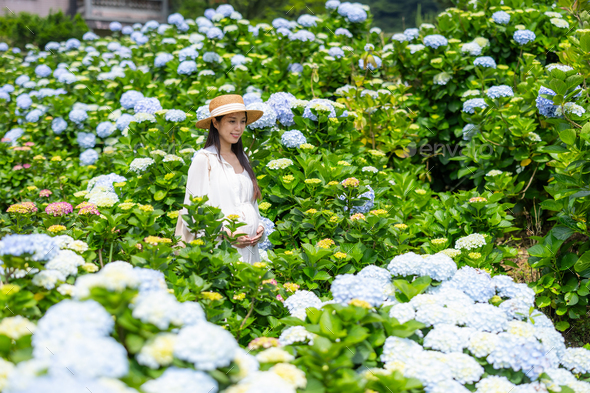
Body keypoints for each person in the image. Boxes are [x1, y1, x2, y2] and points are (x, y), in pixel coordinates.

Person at [175, 94, 267, 263]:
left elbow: (251, 204)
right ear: (215, 123)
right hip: (220, 254)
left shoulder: (243, 158)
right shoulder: (205, 159)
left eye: (242, 121)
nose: (238, 128)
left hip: (251, 252)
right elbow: (192, 211)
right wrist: (226, 233)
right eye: (232, 121)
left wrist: (260, 227)